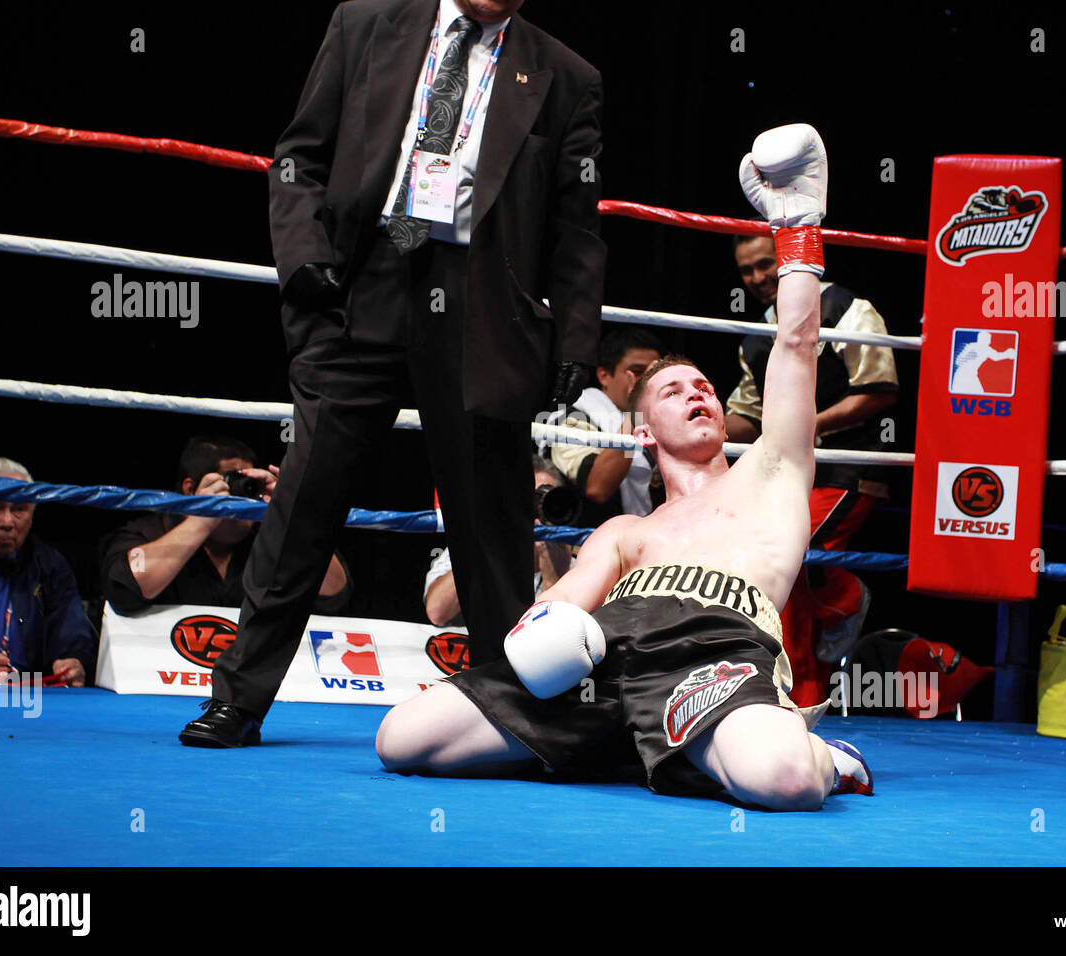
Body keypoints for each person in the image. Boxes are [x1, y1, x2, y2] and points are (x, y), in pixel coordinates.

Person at [376, 124, 874, 811]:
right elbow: (558, 610)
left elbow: (795, 343)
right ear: (643, 431)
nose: (698, 393)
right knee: (402, 739)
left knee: (784, 781)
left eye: (704, 386)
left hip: (715, 657)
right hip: (604, 662)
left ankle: (826, 753)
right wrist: (542, 637)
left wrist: (797, 231)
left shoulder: (772, 473)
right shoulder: (624, 533)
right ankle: (621, 743)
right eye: (673, 390)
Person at [181, 0, 604, 747]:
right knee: (305, 499)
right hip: (366, 279)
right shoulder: (364, 24)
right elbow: (299, 156)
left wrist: (574, 335)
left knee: (491, 522)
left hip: (481, 298)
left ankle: (510, 711)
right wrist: (307, 262)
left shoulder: (566, 75)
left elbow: (576, 225)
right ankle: (238, 698)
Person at [726, 232, 899, 705]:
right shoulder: (758, 334)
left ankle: (802, 687)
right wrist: (688, 422)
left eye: (767, 264)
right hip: (784, 475)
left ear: (788, 260)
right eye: (747, 270)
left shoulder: (848, 309)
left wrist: (803, 425)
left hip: (847, 471)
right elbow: (748, 416)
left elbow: (880, 391)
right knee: (759, 554)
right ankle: (841, 598)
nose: (759, 278)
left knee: (788, 554)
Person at [100, 437, 350, 615]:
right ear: (190, 489)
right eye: (232, 482)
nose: (241, 496)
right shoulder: (149, 532)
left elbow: (335, 593)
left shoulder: (269, 538)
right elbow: (126, 590)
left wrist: (290, 517)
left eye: (248, 485)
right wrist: (203, 518)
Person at [0, 458, 95, 686]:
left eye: (19, 510)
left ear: (33, 514)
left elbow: (72, 633)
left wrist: (73, 662)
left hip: (31, 700)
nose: (7, 521)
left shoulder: (50, 565)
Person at [425, 457, 575, 626]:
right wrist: (488, 541)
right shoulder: (472, 545)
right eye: (525, 499)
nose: (535, 509)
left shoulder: (577, 567)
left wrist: (553, 578)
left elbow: (547, 639)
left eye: (544, 500)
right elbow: (437, 612)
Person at [542, 327, 664, 526]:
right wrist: (637, 408)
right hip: (585, 546)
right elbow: (597, 487)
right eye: (638, 372)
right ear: (604, 375)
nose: (648, 382)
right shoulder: (573, 417)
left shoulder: (663, 416)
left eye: (653, 374)